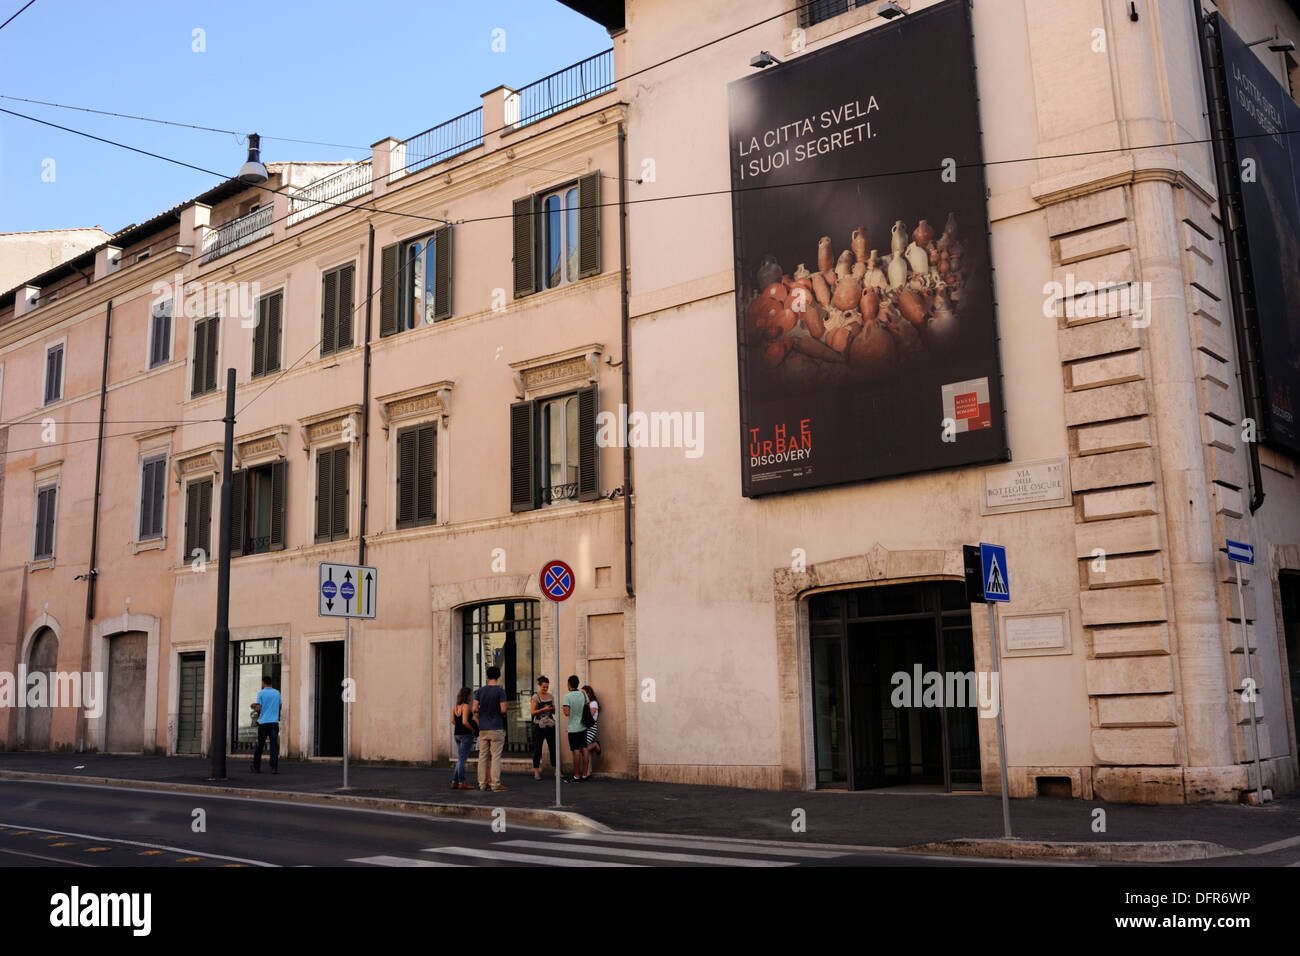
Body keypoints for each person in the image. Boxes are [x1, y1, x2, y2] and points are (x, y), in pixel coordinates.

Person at [472, 666, 508, 792]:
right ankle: (495, 784)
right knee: (495, 757)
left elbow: (474, 708)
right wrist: (496, 711)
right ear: (498, 676)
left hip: (483, 728)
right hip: (496, 726)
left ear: (487, 676)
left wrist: (483, 711)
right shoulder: (500, 691)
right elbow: (503, 709)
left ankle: (482, 784)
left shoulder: (480, 691)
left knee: (482, 757)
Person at [250, 675, 281, 774]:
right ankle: (274, 767)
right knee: (274, 746)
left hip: (263, 723)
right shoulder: (277, 693)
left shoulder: (261, 693)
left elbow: (258, 708)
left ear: (263, 683)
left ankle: (256, 767)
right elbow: (280, 706)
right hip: (274, 722)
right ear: (271, 683)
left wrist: (258, 713)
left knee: (260, 745)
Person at [561, 675, 588, 783]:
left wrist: (564, 709)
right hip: (583, 726)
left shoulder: (567, 697)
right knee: (584, 749)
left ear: (569, 684)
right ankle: (585, 774)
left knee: (576, 751)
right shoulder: (583, 694)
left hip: (573, 728)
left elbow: (567, 713)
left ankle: (576, 775)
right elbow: (587, 708)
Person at [530, 676, 557, 781]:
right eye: (544, 687)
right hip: (538, 725)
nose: (545, 689)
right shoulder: (535, 697)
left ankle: (556, 770)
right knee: (537, 749)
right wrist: (543, 709)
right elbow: (532, 712)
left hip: (550, 724)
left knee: (553, 748)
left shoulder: (550, 696)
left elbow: (553, 712)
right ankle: (536, 772)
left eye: (547, 687)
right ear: (540, 686)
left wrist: (553, 708)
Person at [451, 686, 476, 790]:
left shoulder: (456, 706)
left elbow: (453, 721)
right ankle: (462, 782)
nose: (471, 696)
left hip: (457, 734)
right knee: (462, 759)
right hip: (465, 735)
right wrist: (472, 730)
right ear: (467, 695)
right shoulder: (466, 706)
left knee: (460, 759)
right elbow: (465, 722)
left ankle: (454, 782)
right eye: (470, 694)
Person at [581, 684, 601, 779]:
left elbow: (590, 716)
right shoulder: (585, 704)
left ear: (588, 693)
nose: (582, 695)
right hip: (584, 728)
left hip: (591, 727)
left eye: (583, 693)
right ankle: (588, 772)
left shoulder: (593, 703)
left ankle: (595, 745)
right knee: (585, 750)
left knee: (583, 748)